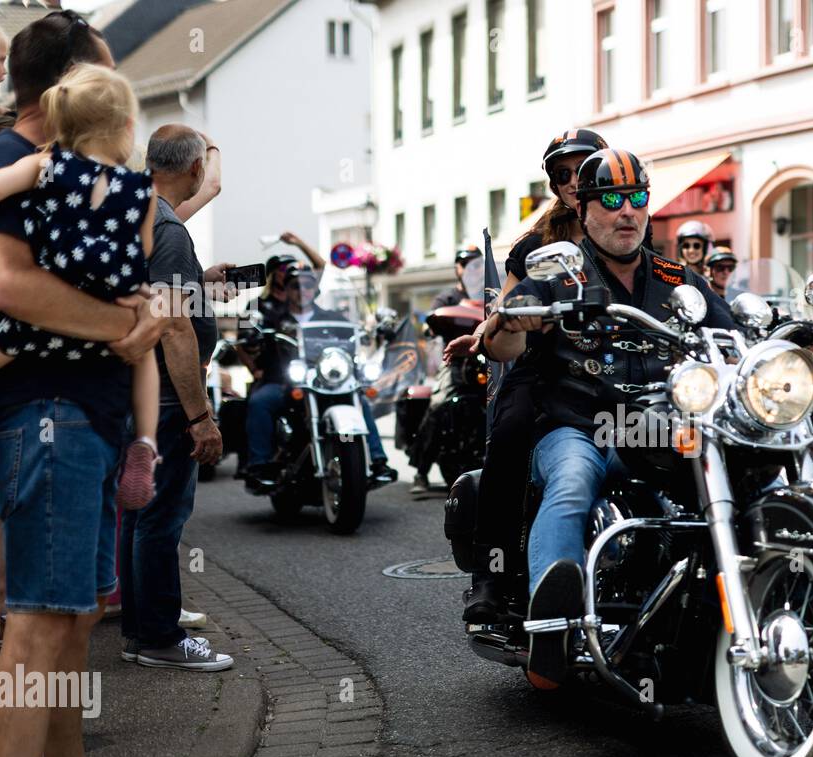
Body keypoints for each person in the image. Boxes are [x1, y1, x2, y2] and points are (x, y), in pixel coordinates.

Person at [0, 10, 167, 757]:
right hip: (51, 412)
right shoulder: (12, 166)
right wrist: (123, 329)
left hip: (84, 417)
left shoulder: (70, 176)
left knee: (67, 619)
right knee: (36, 622)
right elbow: (7, 284)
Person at [491, 147, 734, 684]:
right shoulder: (562, 271)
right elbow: (504, 347)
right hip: (574, 427)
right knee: (574, 481)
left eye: (637, 199)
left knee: (715, 480)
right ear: (585, 210)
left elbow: (732, 332)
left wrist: (797, 333)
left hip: (653, 427)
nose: (627, 211)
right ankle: (551, 627)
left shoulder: (677, 277)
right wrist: (511, 322)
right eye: (612, 200)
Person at [450, 129, 608, 615]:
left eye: (585, 170)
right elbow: (505, 308)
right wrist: (485, 333)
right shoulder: (535, 244)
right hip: (545, 369)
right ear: (555, 182)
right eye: (564, 173)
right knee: (512, 429)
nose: (575, 181)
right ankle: (491, 578)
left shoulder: (626, 229)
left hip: (615, 370)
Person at [0, 65, 164, 511]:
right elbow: (142, 250)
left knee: (10, 335)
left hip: (52, 295)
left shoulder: (44, 165)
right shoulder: (140, 189)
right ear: (127, 126)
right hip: (113, 305)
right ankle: (145, 443)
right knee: (144, 350)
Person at [119, 123, 232, 671]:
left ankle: (142, 628)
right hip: (163, 398)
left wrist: (200, 281)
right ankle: (160, 638)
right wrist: (200, 417)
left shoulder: (138, 213)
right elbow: (173, 329)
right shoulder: (167, 227)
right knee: (161, 519)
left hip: (136, 392)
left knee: (137, 516)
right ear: (191, 169)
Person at [242, 266, 397, 487]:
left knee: (361, 401)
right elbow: (250, 334)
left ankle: (378, 460)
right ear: (286, 289)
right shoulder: (274, 319)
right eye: (295, 285)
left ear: (315, 289)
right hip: (283, 381)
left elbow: (356, 334)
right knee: (260, 402)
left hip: (327, 380)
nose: (302, 290)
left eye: (308, 285)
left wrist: (372, 330)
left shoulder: (332, 318)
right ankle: (260, 466)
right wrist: (253, 334)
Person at [410, 244, 485, 496]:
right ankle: (421, 471)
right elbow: (430, 322)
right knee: (437, 405)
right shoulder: (448, 297)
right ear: (458, 268)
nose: (473, 269)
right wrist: (431, 327)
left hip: (489, 360)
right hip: (454, 362)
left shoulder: (491, 295)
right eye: (467, 263)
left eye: (477, 263)